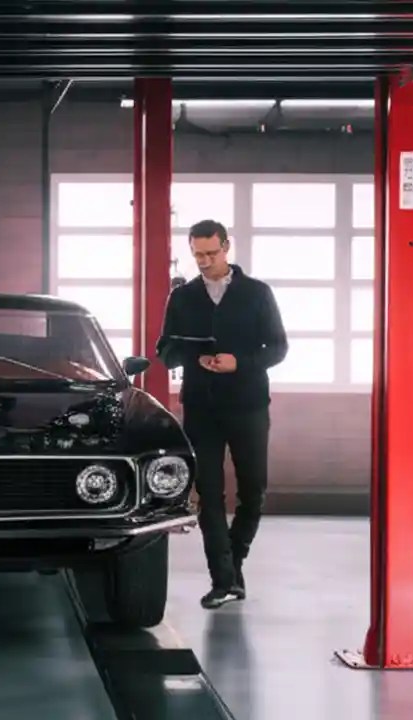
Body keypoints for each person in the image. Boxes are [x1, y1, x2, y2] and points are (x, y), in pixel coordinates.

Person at [155, 219, 288, 609]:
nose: (204, 261)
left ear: (226, 247)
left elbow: (278, 348)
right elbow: (165, 349)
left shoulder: (257, 293)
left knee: (254, 491)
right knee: (208, 495)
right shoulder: (182, 297)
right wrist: (191, 357)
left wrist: (239, 362)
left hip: (248, 405)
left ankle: (233, 564)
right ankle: (223, 580)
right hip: (201, 407)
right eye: (197, 254)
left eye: (211, 253)